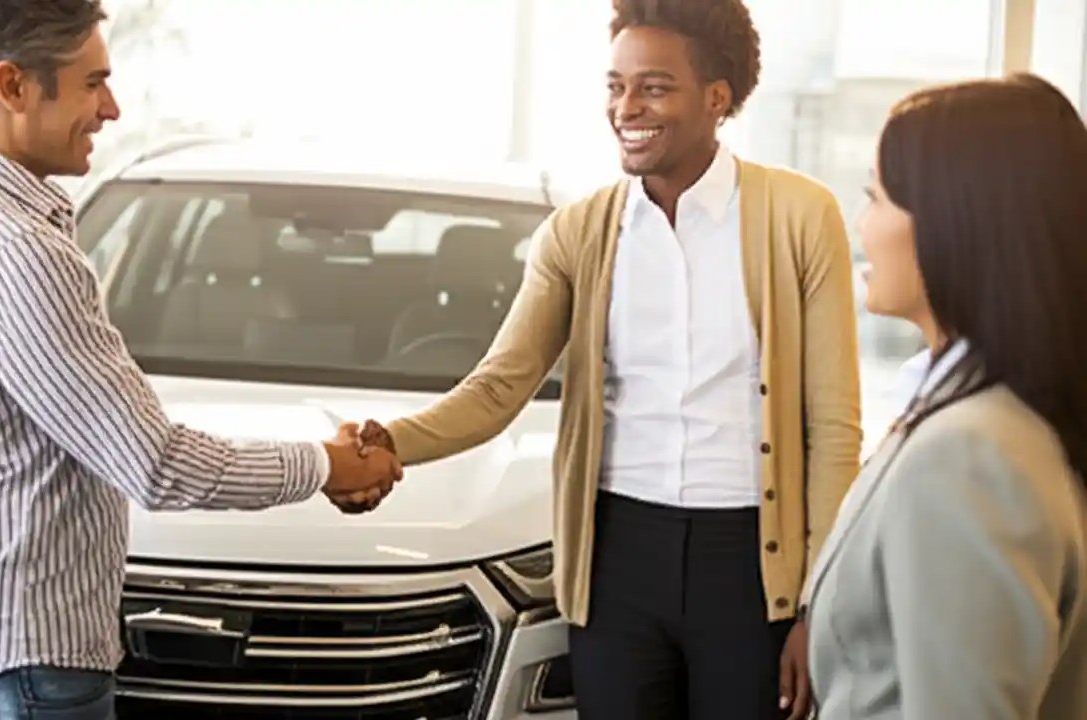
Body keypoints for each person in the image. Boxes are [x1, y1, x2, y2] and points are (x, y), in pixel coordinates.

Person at [352, 0, 862, 716]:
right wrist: (389, 444)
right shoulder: (579, 232)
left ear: (717, 98)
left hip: (750, 560)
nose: (627, 107)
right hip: (618, 560)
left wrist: (819, 602)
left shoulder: (801, 217)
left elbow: (833, 428)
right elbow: (500, 386)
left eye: (654, 87)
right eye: (615, 85)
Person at [0, 2, 400, 718]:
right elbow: (156, 464)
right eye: (91, 83)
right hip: (26, 663)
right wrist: (328, 464)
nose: (112, 107)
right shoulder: (18, 252)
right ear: (13, 86)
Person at [803, 73, 1087, 719]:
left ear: (956, 219)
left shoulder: (970, 456)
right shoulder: (982, 414)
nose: (860, 224)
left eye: (875, 197)